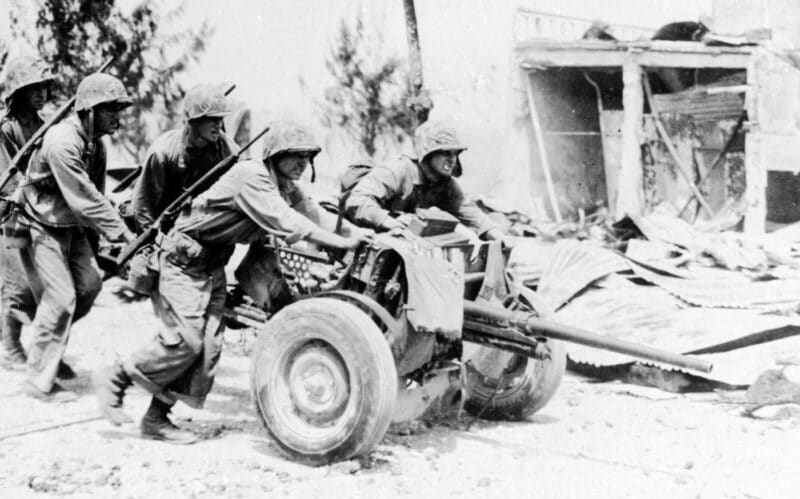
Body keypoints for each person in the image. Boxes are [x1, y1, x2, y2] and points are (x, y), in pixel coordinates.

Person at [94, 120, 370, 443]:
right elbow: (289, 223)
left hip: (212, 264)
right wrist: (342, 244)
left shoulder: (285, 185)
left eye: (308, 156)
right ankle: (118, 376)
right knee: (185, 341)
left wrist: (363, 236)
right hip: (182, 260)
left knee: (206, 351)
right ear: (275, 155)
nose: (302, 163)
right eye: (295, 155)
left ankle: (156, 419)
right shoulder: (252, 177)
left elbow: (316, 216)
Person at [16, 72, 135, 400]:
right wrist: (123, 234)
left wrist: (107, 235)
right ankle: (38, 379)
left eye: (118, 109)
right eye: (110, 109)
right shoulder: (62, 141)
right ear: (89, 110)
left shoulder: (95, 144)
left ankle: (49, 351)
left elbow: (97, 193)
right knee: (61, 298)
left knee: (90, 285)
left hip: (71, 224)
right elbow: (85, 198)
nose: (117, 117)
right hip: (40, 222)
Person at [344, 121, 511, 244]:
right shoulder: (398, 170)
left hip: (401, 242)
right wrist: (389, 221)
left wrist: (498, 236)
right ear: (428, 154)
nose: (452, 159)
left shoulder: (445, 183)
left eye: (455, 153)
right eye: (445, 153)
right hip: (361, 238)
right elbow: (356, 201)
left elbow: (471, 214)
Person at [0, 57, 53, 367]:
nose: (41, 94)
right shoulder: (6, 128)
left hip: (38, 208)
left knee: (39, 281)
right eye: (34, 88)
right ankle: (10, 345)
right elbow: (6, 176)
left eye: (44, 88)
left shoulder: (45, 125)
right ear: (18, 91)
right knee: (17, 281)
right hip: (11, 211)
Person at [132, 84, 237, 232]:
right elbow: (143, 207)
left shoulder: (227, 149)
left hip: (197, 225)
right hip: (160, 226)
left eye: (220, 118)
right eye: (212, 118)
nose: (218, 124)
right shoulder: (163, 152)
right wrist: (150, 239)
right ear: (193, 120)